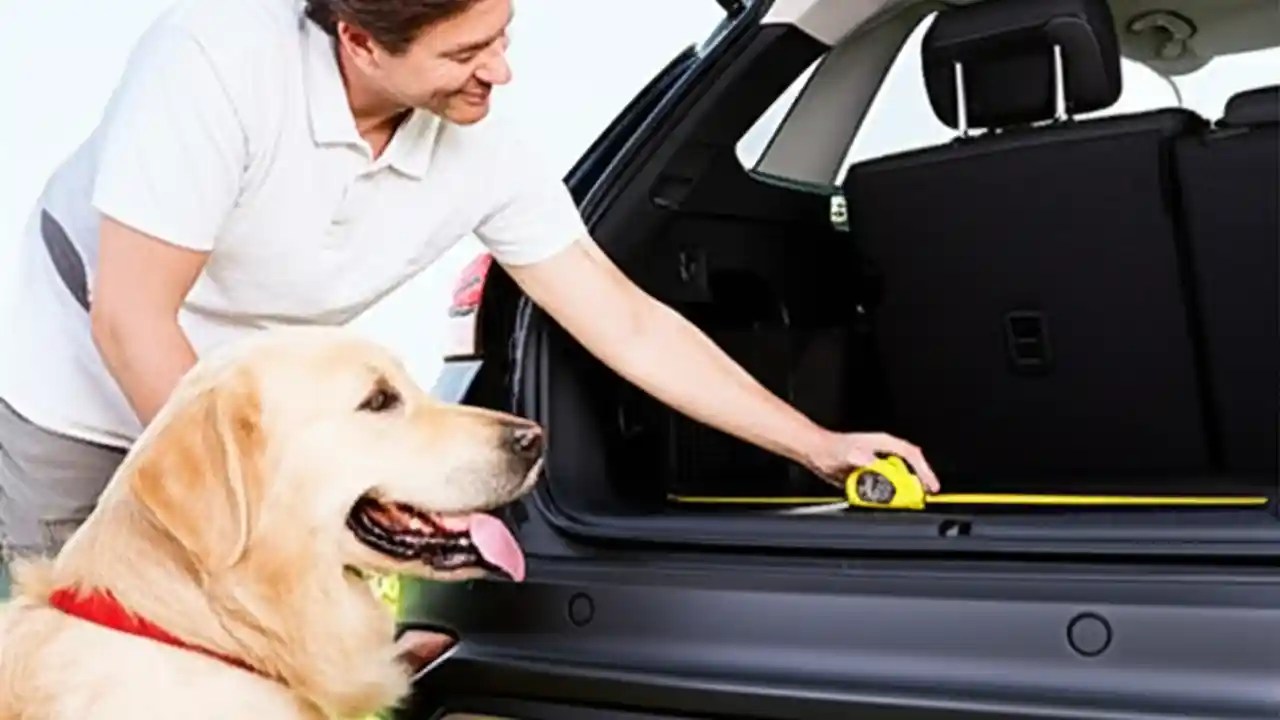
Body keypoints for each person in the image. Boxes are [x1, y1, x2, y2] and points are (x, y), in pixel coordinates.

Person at [0, 0, 940, 665]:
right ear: (361, 43)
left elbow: (625, 320)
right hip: (87, 405)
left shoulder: (478, 147)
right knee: (98, 672)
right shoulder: (216, 60)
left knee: (254, 662)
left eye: (502, 34)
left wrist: (817, 443)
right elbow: (130, 317)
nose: (500, 70)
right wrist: (257, 515)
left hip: (272, 431)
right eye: (465, 53)